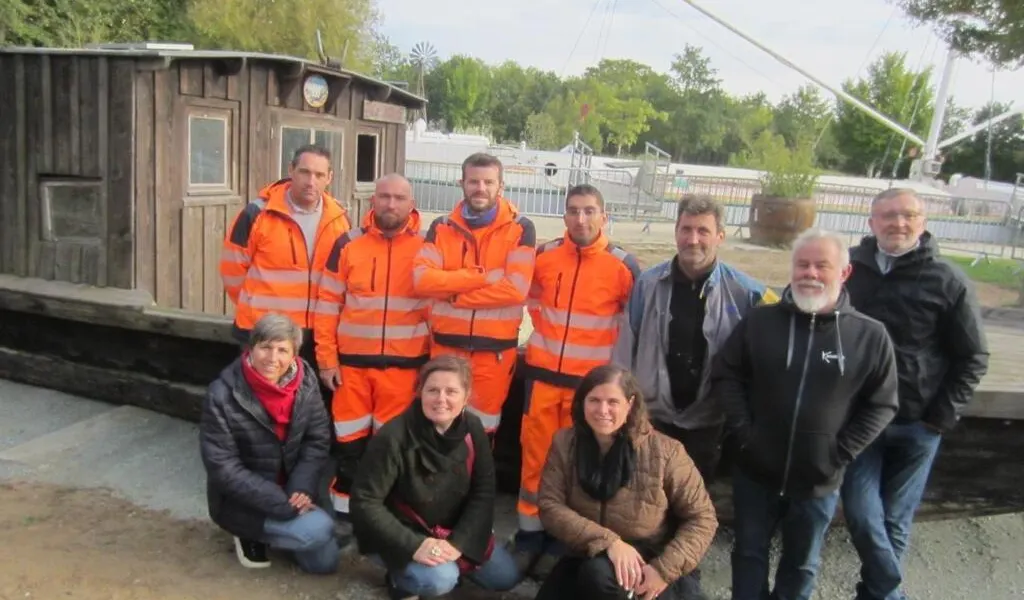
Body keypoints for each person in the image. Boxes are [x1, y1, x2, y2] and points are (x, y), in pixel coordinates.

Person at [712, 228, 899, 600]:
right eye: (802, 265)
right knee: (748, 554)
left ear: (844, 272)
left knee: (801, 563)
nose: (810, 273)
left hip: (819, 478)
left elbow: (882, 403)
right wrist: (745, 433)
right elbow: (726, 374)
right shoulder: (760, 322)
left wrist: (841, 452)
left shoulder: (869, 336)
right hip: (756, 470)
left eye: (821, 265)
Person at [611, 194, 777, 598]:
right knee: (642, 496)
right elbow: (626, 347)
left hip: (706, 422)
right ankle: (637, 572)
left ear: (720, 235)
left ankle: (684, 572)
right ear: (676, 232)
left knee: (693, 504)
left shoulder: (747, 292)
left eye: (703, 230)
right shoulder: (648, 285)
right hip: (652, 416)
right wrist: (624, 407)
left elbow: (781, 331)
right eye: (686, 229)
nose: (693, 239)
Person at [841, 188, 989, 600]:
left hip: (916, 423)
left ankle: (876, 595)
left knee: (894, 522)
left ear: (923, 222)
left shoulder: (947, 279)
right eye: (888, 216)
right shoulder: (848, 268)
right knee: (862, 515)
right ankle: (892, 594)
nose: (898, 223)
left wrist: (939, 418)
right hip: (859, 421)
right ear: (872, 223)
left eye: (908, 215)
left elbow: (973, 356)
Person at [513, 184, 640, 577]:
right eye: (573, 211)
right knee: (535, 458)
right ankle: (529, 537)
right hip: (542, 377)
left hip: (590, 388)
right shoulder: (545, 256)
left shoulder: (623, 266)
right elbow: (530, 298)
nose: (580, 219)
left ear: (604, 216)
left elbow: (633, 324)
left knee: (579, 462)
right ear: (564, 215)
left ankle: (564, 543)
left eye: (589, 211)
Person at [535, 364, 718, 600]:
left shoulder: (666, 451)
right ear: (582, 403)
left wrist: (664, 570)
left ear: (630, 404)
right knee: (585, 577)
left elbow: (703, 518)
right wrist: (609, 542)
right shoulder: (565, 443)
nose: (603, 410)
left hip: (651, 556)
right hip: (588, 550)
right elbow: (550, 505)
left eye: (613, 402)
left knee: (600, 577)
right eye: (594, 400)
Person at [313, 174, 431, 532]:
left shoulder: (428, 248)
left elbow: (438, 310)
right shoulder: (348, 243)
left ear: (412, 204)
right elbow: (327, 305)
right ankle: (345, 517)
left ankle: (384, 518)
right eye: (384, 196)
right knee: (349, 445)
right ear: (372, 200)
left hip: (405, 371)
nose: (390, 204)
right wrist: (326, 360)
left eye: (399, 198)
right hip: (350, 371)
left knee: (392, 450)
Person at [349, 355, 522, 599]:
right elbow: (365, 501)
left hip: (452, 531)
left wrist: (458, 543)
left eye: (451, 391)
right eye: (432, 390)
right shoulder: (393, 437)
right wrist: (414, 545)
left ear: (466, 396)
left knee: (505, 577)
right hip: (405, 532)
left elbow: (483, 492)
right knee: (441, 579)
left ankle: (446, 564)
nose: (441, 399)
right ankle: (401, 580)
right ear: (419, 392)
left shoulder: (473, 429)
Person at [199, 313, 339, 573]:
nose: (272, 358)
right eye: (265, 347)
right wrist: (282, 503)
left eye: (282, 350)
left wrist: (301, 488)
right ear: (251, 348)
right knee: (319, 529)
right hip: (246, 500)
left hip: (294, 490)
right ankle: (248, 531)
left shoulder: (306, 383)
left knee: (324, 564)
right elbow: (223, 467)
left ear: (295, 354)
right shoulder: (221, 394)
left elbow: (317, 440)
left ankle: (284, 530)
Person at [412, 152, 537, 435]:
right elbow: (422, 281)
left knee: (482, 429)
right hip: (445, 348)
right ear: (462, 183)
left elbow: (516, 289)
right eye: (473, 182)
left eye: (488, 182)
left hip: (494, 354)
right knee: (440, 425)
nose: (481, 188)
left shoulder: (520, 228)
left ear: (501, 187)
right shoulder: (441, 226)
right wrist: (475, 277)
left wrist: (455, 295)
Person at [219, 144, 351, 392]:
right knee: (256, 403)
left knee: (304, 404)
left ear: (329, 178)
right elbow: (232, 270)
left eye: (319, 175)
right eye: (304, 172)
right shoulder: (257, 213)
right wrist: (256, 309)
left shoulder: (339, 220)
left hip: (313, 337)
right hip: (263, 333)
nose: (311, 182)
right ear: (291, 170)